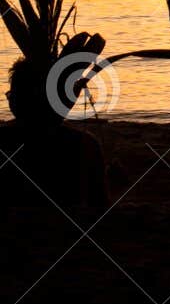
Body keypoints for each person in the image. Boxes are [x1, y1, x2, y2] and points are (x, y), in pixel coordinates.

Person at [0, 57, 108, 213]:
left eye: (11, 95)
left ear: (18, 100)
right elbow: (100, 205)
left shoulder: (4, 142)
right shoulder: (85, 145)